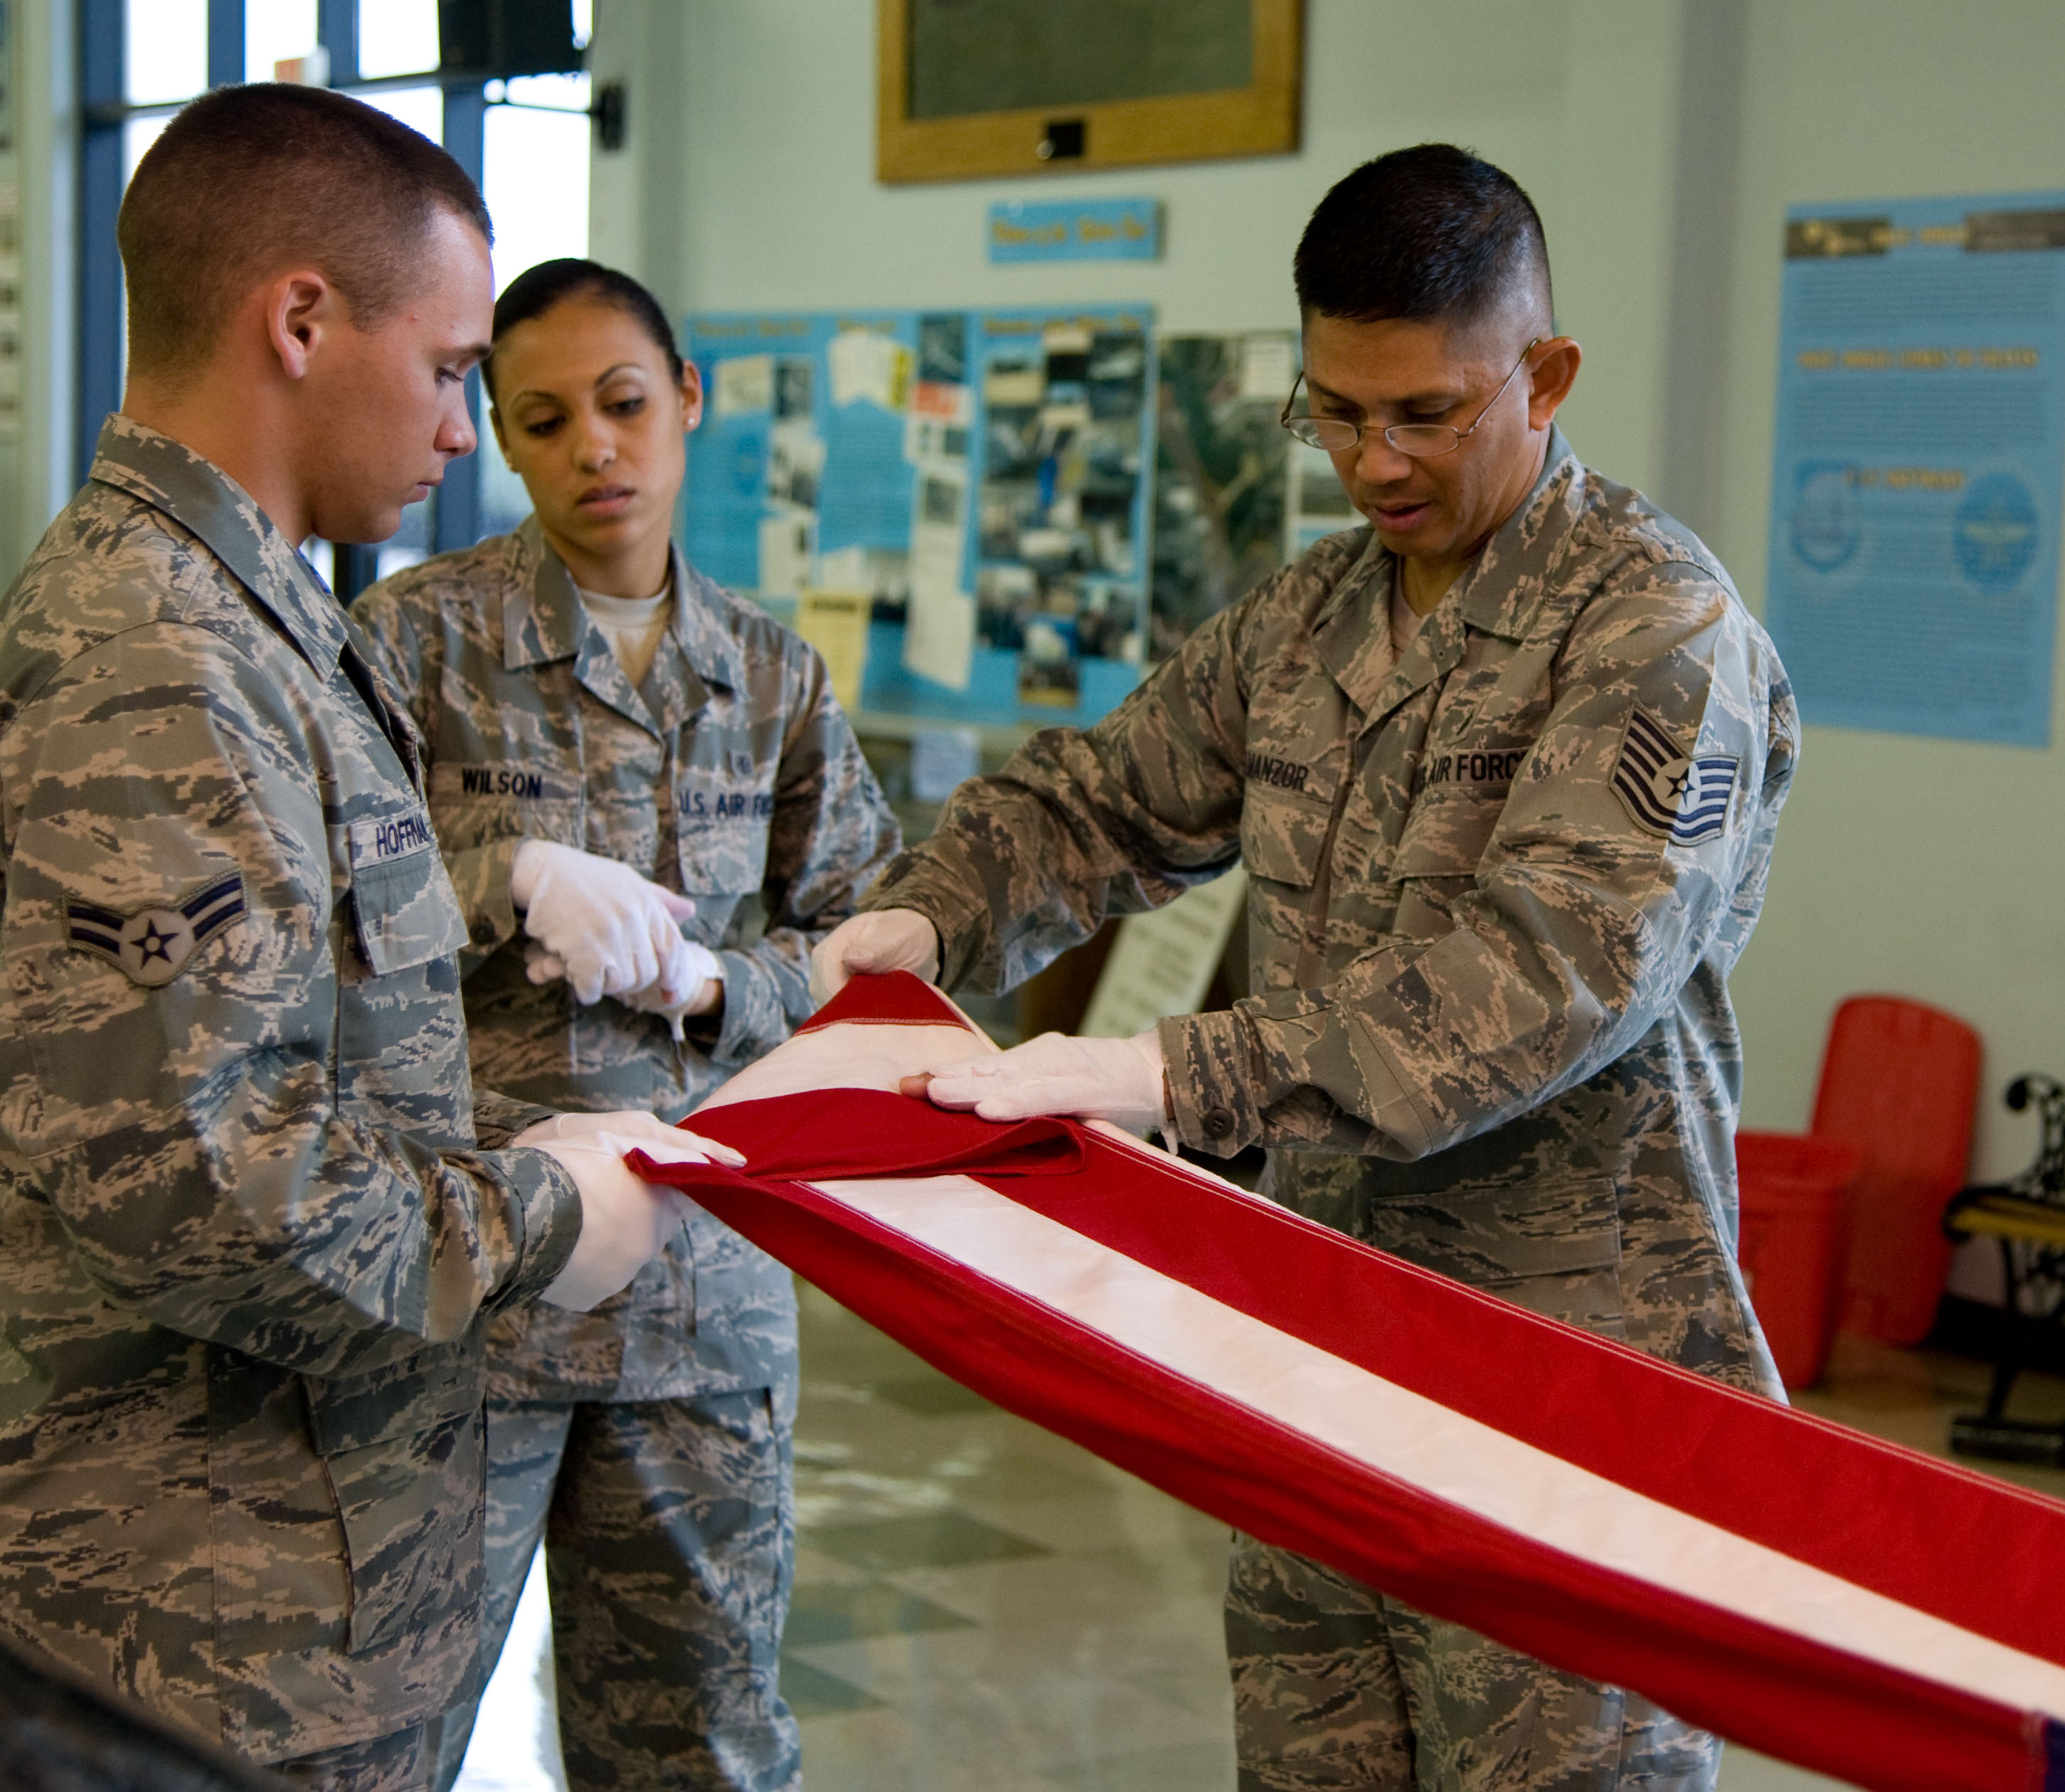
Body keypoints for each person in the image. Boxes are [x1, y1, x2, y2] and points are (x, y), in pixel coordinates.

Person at [812, 144, 1797, 1790]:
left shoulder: (1651, 625)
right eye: (1334, 411)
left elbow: (1551, 971)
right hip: (1323, 1355)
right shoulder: (1310, 618)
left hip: (1559, 1377)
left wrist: (1160, 1073)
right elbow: (1102, 798)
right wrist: (930, 917)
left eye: (1424, 411)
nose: (1372, 459)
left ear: (1543, 376)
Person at [0, 85, 726, 1790]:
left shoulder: (267, 624)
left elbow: (306, 1057)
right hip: (194, 1624)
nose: (469, 430)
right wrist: (545, 1206)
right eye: (459, 368)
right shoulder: (157, 652)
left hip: (317, 1578)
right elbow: (198, 1184)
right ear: (303, 321)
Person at [349, 258, 901, 1792]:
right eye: (544, 416)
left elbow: (872, 954)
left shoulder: (775, 680)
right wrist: (498, 879)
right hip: (474, 1283)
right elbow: (317, 907)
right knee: (385, 1727)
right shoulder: (414, 647)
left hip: (707, 1301)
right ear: (504, 442)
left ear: (689, 404)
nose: (596, 444)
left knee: (700, 1742)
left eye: (624, 402)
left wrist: (733, 984)